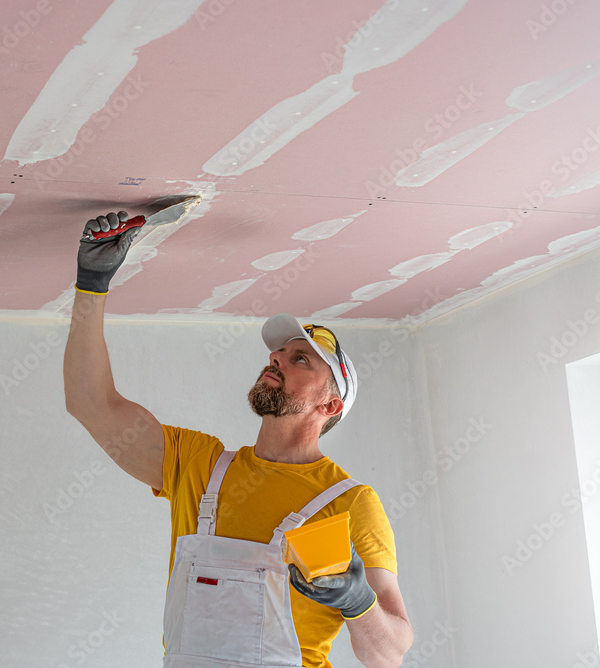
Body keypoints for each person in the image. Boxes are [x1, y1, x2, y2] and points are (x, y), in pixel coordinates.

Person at [64, 212, 413, 667]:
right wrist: (92, 285)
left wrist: (358, 602)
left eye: (300, 359)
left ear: (329, 406)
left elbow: (387, 656)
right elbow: (90, 404)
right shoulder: (199, 466)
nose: (277, 358)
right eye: (279, 352)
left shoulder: (350, 503)